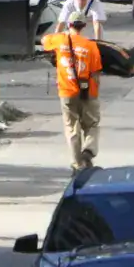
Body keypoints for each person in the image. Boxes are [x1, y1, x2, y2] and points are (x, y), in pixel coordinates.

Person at [41, 17, 104, 171]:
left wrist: (60, 33)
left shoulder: (60, 40)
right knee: (92, 124)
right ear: (83, 26)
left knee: (72, 128)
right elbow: (96, 72)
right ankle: (88, 151)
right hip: (88, 91)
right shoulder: (90, 45)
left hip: (67, 91)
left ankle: (78, 164)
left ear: (69, 24)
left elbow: (44, 40)